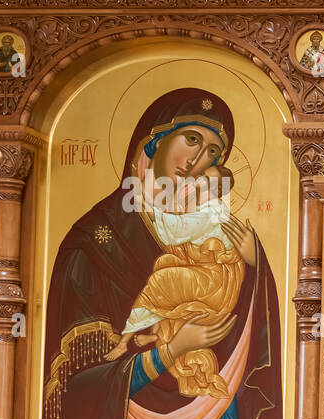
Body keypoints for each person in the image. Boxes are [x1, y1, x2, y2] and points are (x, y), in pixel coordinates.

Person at [42, 89, 283, 419]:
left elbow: (247, 324)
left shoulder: (216, 229)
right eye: (191, 139)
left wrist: (255, 264)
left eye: (214, 152)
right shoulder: (94, 242)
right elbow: (75, 389)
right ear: (153, 139)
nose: (199, 159)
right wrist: (169, 352)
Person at [102, 165, 245, 401]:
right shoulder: (204, 208)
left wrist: (145, 204)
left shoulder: (211, 211)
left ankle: (124, 341)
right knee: (164, 264)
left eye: (205, 179)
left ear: (216, 188)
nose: (199, 180)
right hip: (207, 274)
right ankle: (153, 336)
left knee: (162, 280)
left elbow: (175, 231)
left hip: (213, 283)